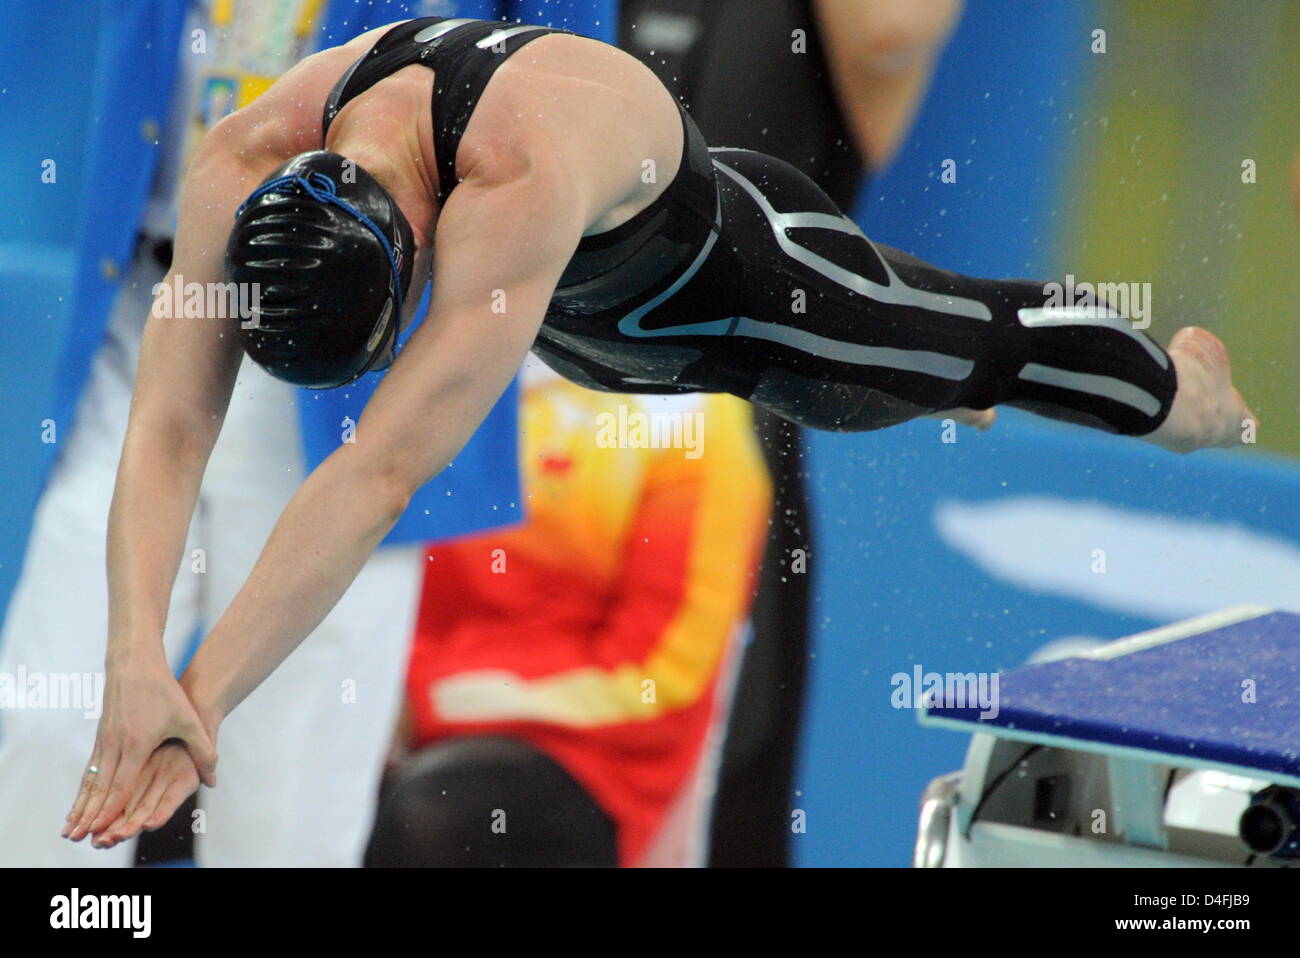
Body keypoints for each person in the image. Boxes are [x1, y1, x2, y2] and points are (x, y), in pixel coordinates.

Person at [63, 14, 1253, 849]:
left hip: (742, 303)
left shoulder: (513, 169)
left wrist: (199, 695)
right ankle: (943, 381)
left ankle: (1173, 379)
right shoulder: (244, 157)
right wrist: (134, 664)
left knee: (960, 348)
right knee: (917, 378)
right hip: (581, 328)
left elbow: (376, 473)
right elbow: (170, 427)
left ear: (413, 246)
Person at [619, 0, 962, 865]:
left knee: (716, 805)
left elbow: (891, 32)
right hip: (520, 455)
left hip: (723, 470)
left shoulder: (838, 27)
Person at [366, 358, 770, 867]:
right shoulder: (423, 370)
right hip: (385, 718)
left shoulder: (688, 419)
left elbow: (662, 678)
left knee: (439, 821)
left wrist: (422, 705)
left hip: (581, 759)